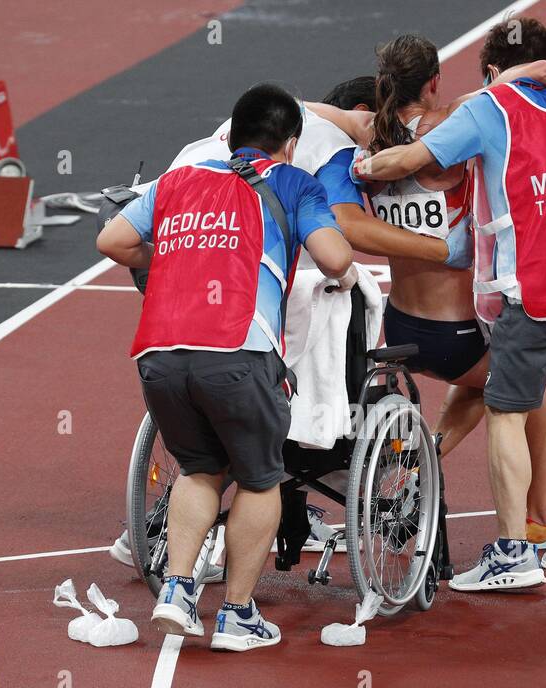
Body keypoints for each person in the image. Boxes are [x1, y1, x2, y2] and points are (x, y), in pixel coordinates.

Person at [355, 17, 546, 591]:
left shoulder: (491, 109)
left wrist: (364, 168)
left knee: (510, 410)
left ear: (493, 70)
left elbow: (409, 160)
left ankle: (514, 553)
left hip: (535, 290)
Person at [97, 83, 356, 651]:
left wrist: (165, 262)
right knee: (262, 480)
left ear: (230, 134)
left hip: (159, 356)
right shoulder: (292, 183)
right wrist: (347, 276)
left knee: (198, 469)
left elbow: (112, 238)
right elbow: (335, 257)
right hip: (237, 354)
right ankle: (238, 614)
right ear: (290, 144)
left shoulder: (177, 181)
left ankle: (178, 592)